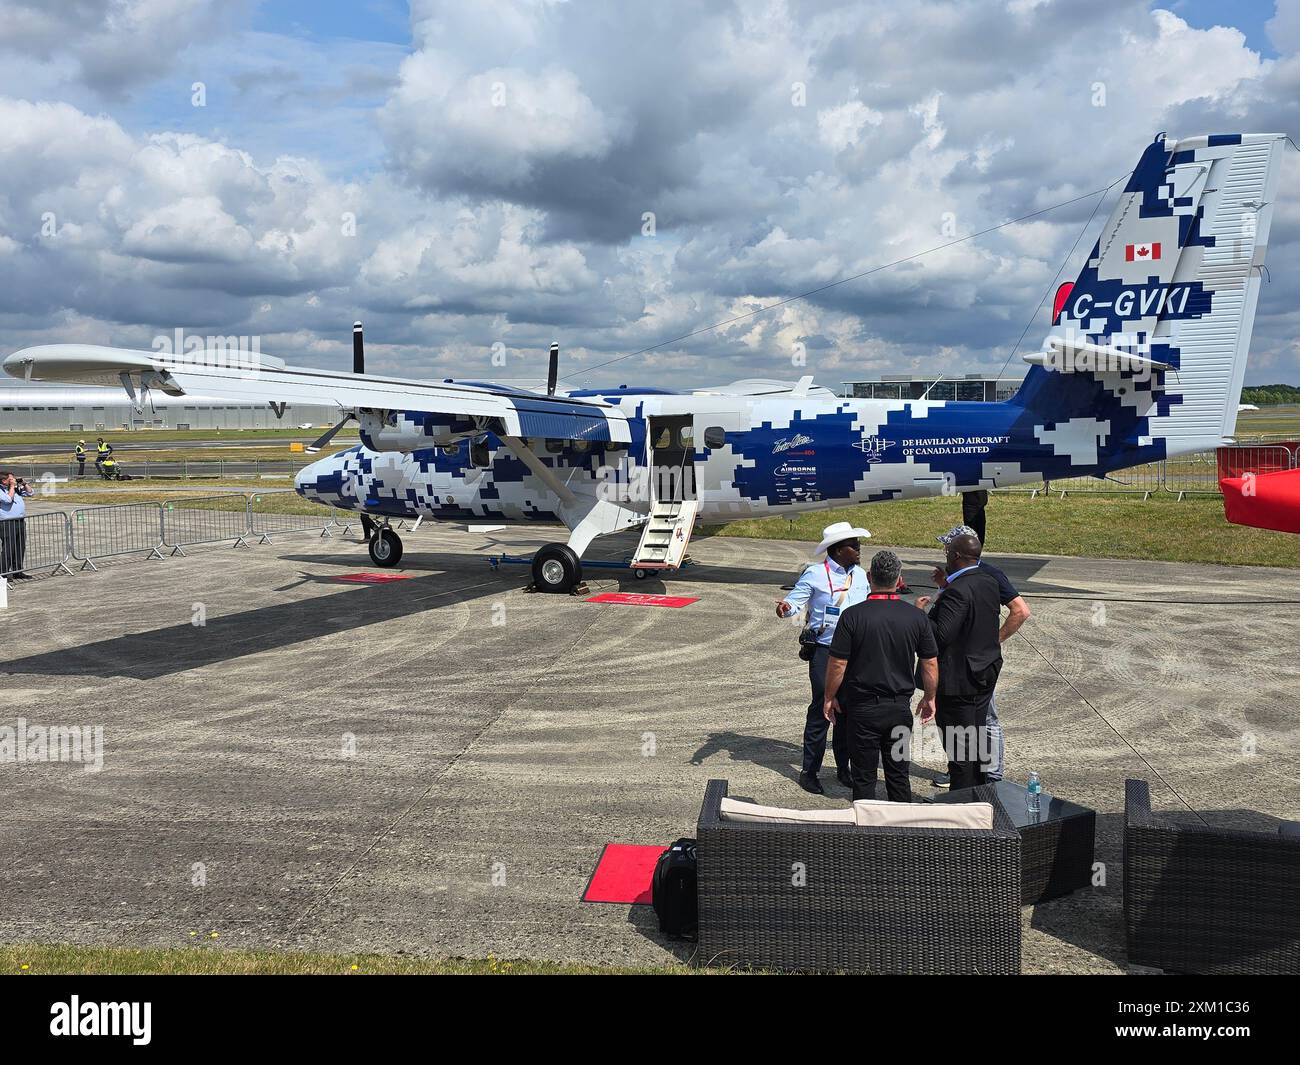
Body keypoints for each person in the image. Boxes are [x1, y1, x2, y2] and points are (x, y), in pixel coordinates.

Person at [823, 550, 937, 802]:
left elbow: (838, 664)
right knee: (898, 775)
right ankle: (901, 832)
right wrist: (930, 697)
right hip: (898, 708)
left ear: (869, 576)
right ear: (899, 580)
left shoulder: (852, 616)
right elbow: (929, 663)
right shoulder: (916, 617)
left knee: (863, 777)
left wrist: (829, 697)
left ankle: (866, 832)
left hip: (862, 710)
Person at [929, 524, 1030, 785]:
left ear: (957, 555)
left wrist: (993, 640)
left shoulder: (979, 578)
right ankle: (978, 777)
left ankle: (987, 777)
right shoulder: (979, 580)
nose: (944, 553)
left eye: (947, 549)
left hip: (966, 674)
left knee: (977, 727)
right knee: (974, 730)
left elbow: (1020, 610)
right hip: (983, 666)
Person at [776, 521, 871, 794]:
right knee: (822, 708)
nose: (858, 548)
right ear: (838, 550)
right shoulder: (815, 575)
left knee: (849, 711)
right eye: (854, 545)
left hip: (856, 653)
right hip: (826, 651)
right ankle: (810, 771)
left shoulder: (861, 575)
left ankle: (844, 768)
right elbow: (794, 601)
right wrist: (785, 609)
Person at [916, 532, 1002, 792]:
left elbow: (941, 635)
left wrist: (920, 616)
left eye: (947, 554)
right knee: (974, 742)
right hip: (984, 673)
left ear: (955, 557)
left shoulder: (958, 591)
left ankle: (962, 802)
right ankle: (977, 793)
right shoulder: (988, 582)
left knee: (960, 747)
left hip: (959, 683)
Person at [0, 471, 35, 581]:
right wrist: (12, 486)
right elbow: (8, 499)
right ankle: (3, 573)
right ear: (4, 480)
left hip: (20, 521)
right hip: (7, 522)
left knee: (20, 547)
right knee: (8, 548)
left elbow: (31, 493)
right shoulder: (2, 490)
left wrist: (24, 484)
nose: (14, 480)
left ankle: (17, 571)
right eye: (11, 479)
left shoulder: (15, 489)